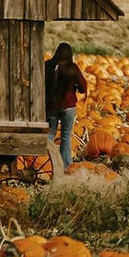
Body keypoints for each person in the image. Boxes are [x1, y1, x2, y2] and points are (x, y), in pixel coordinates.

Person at [45, 42, 88, 170]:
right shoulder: (72, 68)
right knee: (65, 136)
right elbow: (83, 88)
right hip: (68, 107)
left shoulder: (48, 65)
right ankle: (65, 165)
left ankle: (46, 162)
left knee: (50, 135)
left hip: (51, 106)